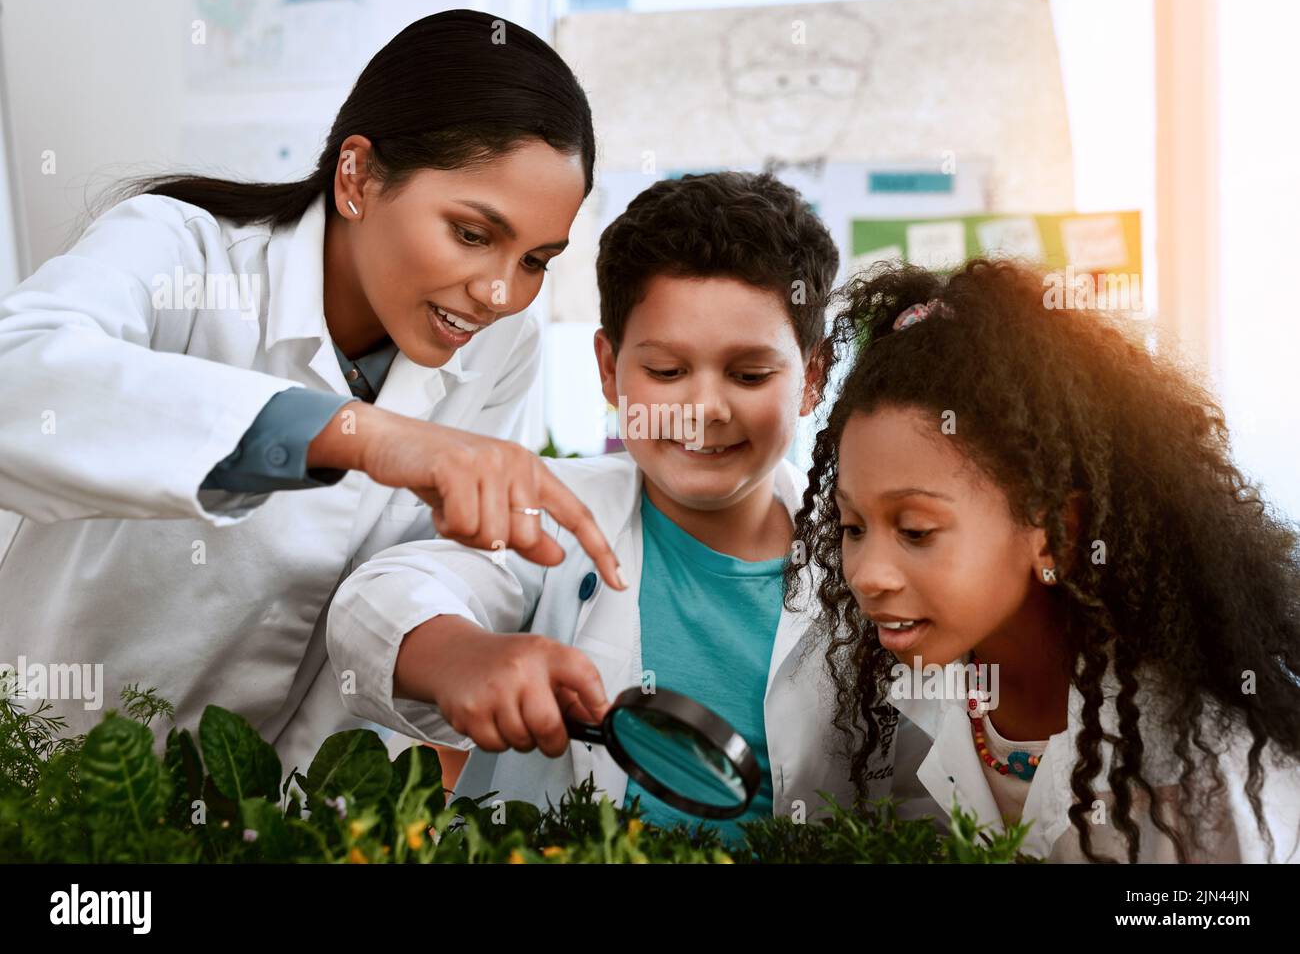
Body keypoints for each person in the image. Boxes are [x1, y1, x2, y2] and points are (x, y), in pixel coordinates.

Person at [0, 10, 624, 775]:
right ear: (357, 177)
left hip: (278, 808)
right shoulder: (182, 250)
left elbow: (420, 574)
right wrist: (363, 435)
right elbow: (21, 377)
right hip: (42, 772)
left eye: (536, 260)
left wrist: (466, 648)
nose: (499, 291)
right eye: (471, 233)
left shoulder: (501, 348)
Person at [327, 173, 900, 844]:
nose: (704, 408)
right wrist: (463, 654)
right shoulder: (554, 510)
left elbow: (925, 793)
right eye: (665, 371)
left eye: (748, 375)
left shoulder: (870, 556)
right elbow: (376, 602)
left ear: (812, 376)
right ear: (609, 369)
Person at [788, 258, 1300, 862]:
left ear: (1057, 531)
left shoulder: (1206, 765)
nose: (867, 574)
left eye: (917, 530)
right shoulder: (882, 712)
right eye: (852, 526)